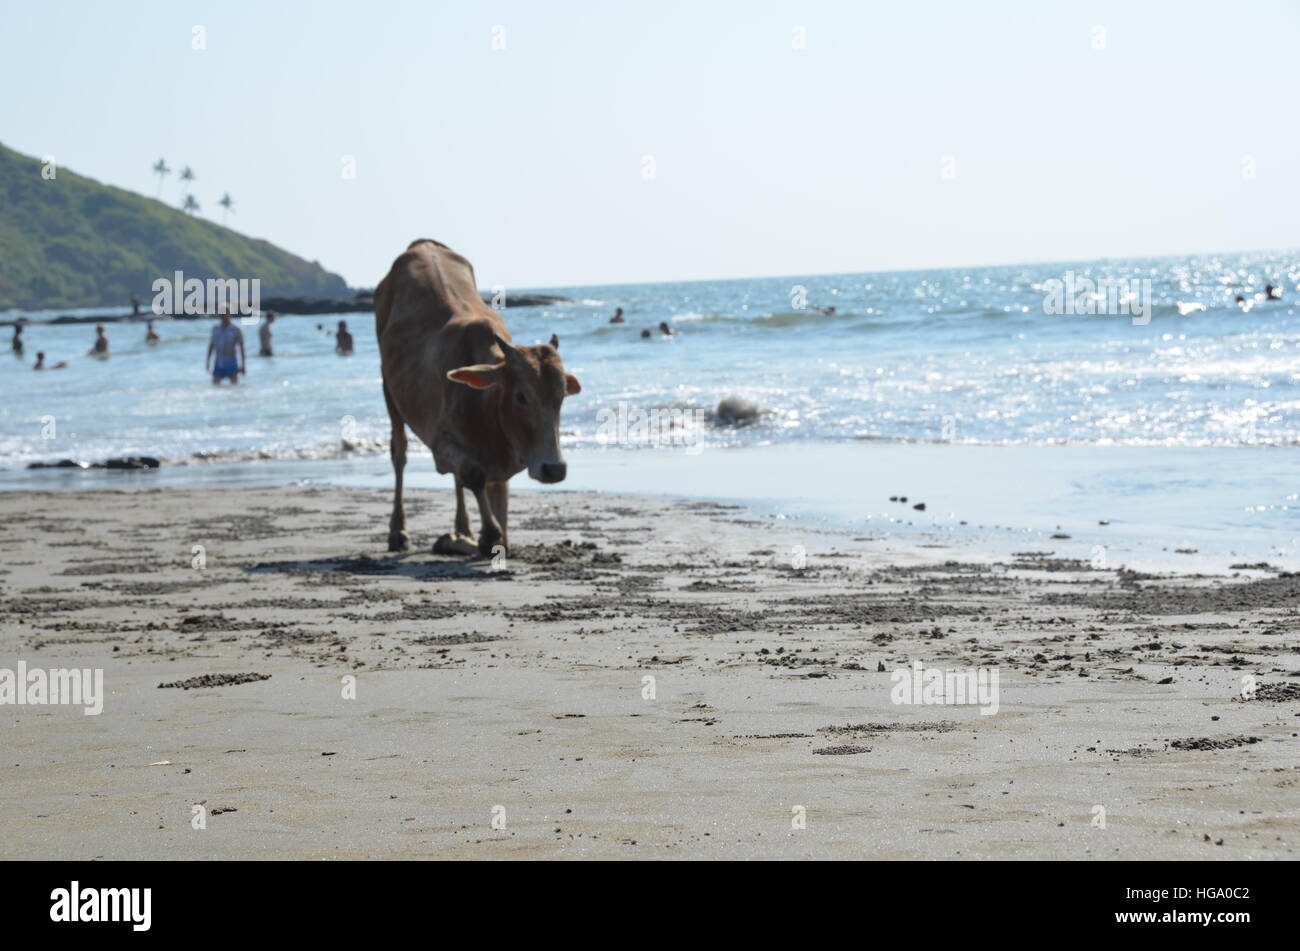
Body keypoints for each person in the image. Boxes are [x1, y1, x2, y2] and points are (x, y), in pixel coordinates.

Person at [206, 312, 245, 384]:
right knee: (215, 386)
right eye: (221, 314)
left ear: (229, 314)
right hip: (218, 361)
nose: (222, 316)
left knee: (234, 387)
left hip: (231, 361)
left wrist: (243, 365)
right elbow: (211, 345)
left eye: (224, 314)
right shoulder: (215, 328)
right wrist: (207, 362)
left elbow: (241, 347)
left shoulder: (236, 329)